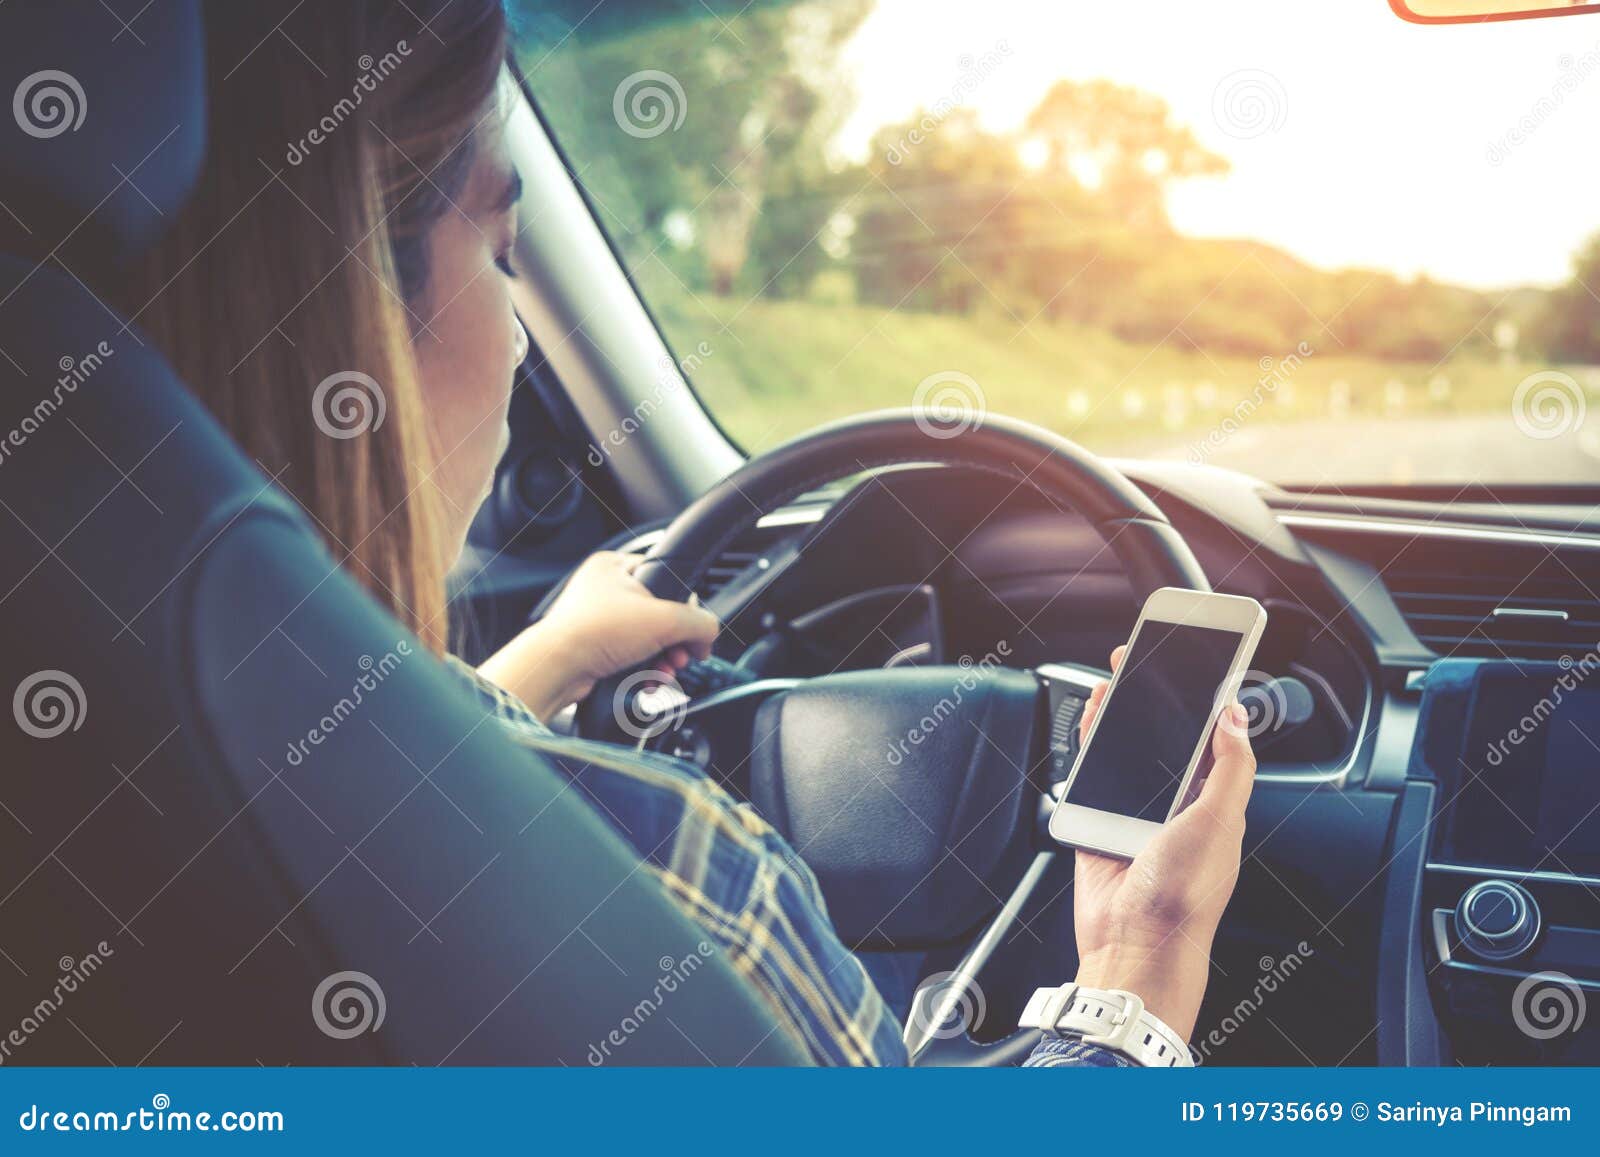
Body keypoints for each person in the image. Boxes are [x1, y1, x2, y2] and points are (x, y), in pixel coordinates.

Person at [113, 0, 1257, 1066]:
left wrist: (544, 665)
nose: (517, 341)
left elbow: (359, 767)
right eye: (501, 254)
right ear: (352, 317)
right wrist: (1136, 958)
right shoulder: (684, 880)